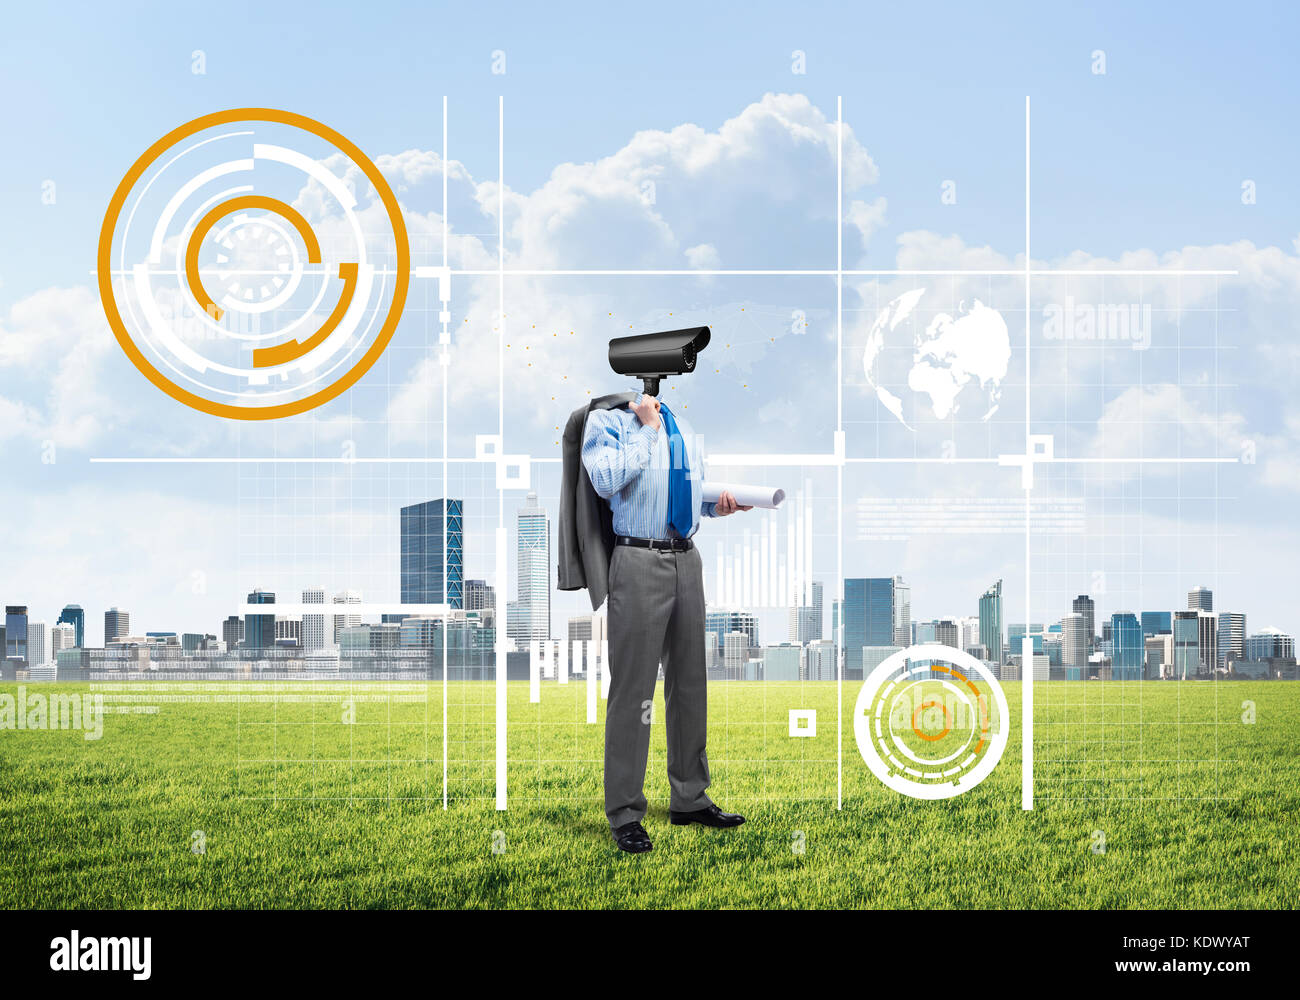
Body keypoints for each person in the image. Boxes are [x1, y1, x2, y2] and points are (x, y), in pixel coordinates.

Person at [581, 389, 752, 854]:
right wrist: (647, 430)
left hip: (687, 560)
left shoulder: (685, 427)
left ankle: (690, 798)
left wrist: (715, 507)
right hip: (637, 559)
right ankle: (625, 813)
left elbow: (683, 495)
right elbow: (606, 480)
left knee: (690, 685)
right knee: (634, 691)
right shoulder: (609, 422)